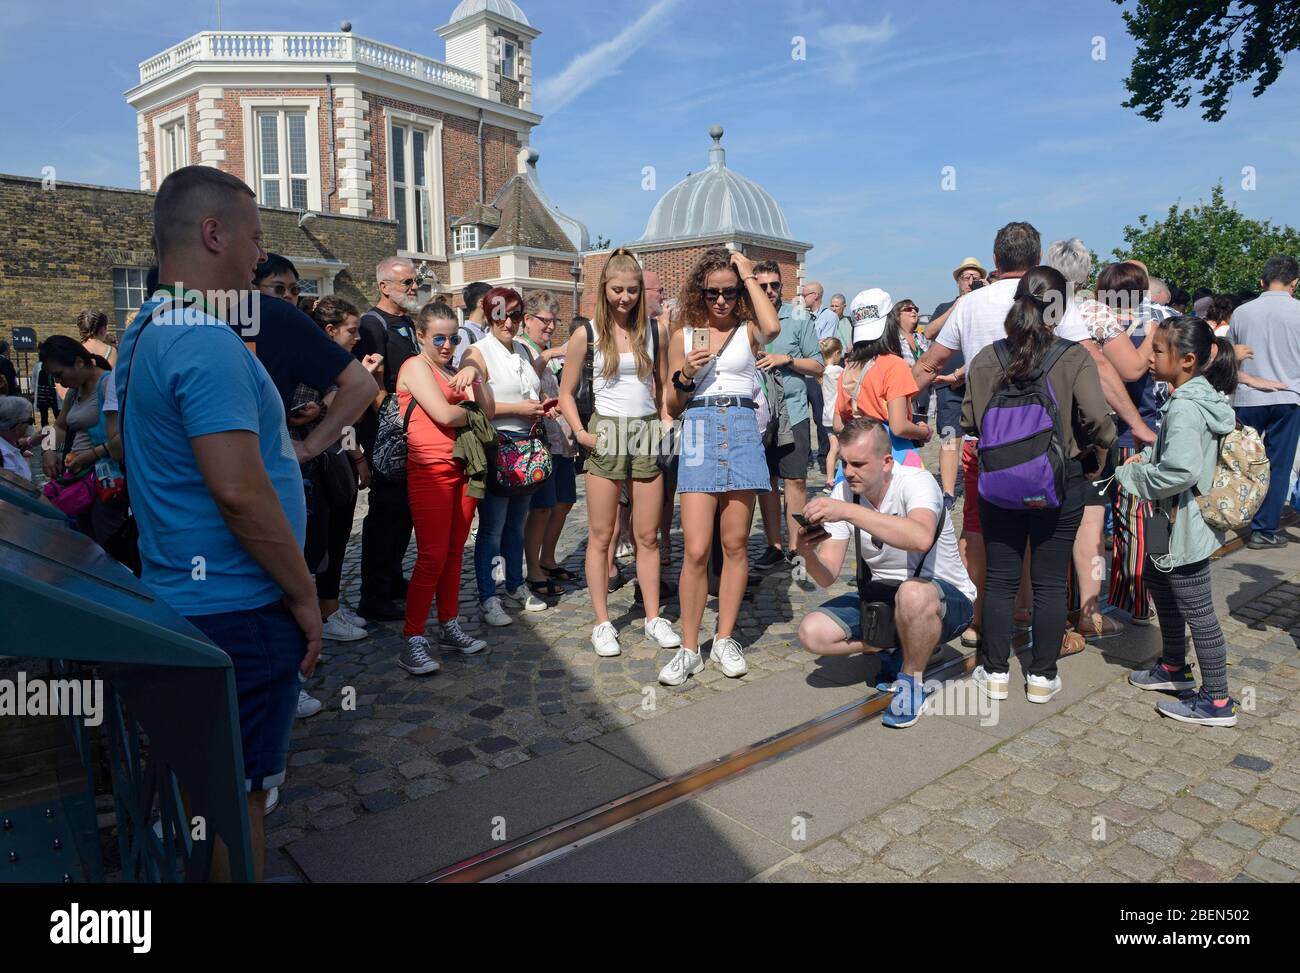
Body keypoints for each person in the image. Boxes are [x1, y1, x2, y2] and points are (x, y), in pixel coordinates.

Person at [115, 165, 318, 881]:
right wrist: (303, 594)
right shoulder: (202, 339)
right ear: (212, 233)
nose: (261, 257)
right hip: (241, 611)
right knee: (242, 805)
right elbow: (238, 491)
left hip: (188, 601)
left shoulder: (146, 331)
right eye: (255, 238)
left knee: (208, 800)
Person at [915, 223, 1147, 650]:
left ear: (995, 258)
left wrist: (901, 407)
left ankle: (979, 623)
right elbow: (1093, 364)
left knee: (983, 537)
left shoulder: (969, 306)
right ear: (1037, 256)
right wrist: (1130, 426)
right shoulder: (1053, 299)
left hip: (988, 448)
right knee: (1046, 551)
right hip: (1051, 450)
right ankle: (1049, 639)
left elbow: (930, 363)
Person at [963, 266, 1116, 704]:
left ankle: (994, 673)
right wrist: (1096, 458)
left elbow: (971, 421)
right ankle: (1042, 677)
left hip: (998, 480)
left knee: (1001, 579)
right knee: (1050, 580)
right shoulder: (1073, 356)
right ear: (1060, 308)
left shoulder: (987, 358)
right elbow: (1098, 423)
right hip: (1058, 477)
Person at [796, 418, 976, 728]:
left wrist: (849, 512)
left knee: (913, 593)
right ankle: (899, 645)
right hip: (885, 598)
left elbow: (920, 537)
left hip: (947, 599)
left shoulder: (917, 482)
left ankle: (911, 682)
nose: (848, 472)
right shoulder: (844, 492)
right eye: (844, 463)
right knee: (812, 632)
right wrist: (806, 552)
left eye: (858, 464)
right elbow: (827, 577)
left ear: (887, 462)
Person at [659, 248, 780, 685]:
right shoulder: (683, 336)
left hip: (743, 426)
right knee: (695, 549)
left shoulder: (749, 330)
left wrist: (748, 275)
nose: (722, 300)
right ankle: (690, 648)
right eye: (713, 292)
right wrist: (686, 376)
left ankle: (725, 636)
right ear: (700, 292)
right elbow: (672, 403)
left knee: (734, 545)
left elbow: (772, 326)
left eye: (729, 292)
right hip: (699, 428)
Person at [1116, 317, 1241, 725]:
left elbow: (1183, 470)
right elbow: (1174, 455)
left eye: (1157, 351)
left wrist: (1133, 475)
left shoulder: (1186, 405)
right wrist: (1149, 458)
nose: (1149, 358)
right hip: (1164, 520)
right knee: (1157, 578)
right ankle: (1173, 666)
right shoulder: (1190, 394)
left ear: (1187, 360)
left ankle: (1217, 701)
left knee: (1198, 609)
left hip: (1182, 523)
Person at [558, 250, 680, 657]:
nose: (625, 297)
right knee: (602, 534)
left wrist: (665, 417)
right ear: (604, 289)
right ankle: (602, 622)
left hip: (645, 430)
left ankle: (651, 618)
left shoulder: (655, 330)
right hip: (606, 431)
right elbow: (565, 393)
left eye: (632, 290)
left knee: (647, 536)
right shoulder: (586, 334)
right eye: (617, 290)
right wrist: (580, 433)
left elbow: (662, 383)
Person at [395, 300, 493, 671]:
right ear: (420, 336)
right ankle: (413, 637)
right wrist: (469, 408)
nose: (447, 346)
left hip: (464, 467)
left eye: (453, 338)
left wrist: (474, 373)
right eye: (439, 338)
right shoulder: (415, 366)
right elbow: (444, 414)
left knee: (454, 552)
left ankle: (448, 625)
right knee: (432, 555)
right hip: (430, 470)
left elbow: (488, 408)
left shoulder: (453, 368)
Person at [461, 287, 552, 625]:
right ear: (489, 315)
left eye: (515, 315)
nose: (508, 322)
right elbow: (476, 406)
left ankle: (514, 584)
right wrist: (520, 407)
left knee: (517, 524)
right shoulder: (477, 351)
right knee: (493, 526)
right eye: (501, 314)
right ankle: (488, 596)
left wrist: (543, 407)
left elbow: (534, 389)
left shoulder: (523, 351)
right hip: (498, 445)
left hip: (527, 445)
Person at [308, 297, 383, 640]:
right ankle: (321, 615)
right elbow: (326, 413)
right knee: (320, 541)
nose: (357, 338)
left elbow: (347, 422)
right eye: (351, 331)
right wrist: (360, 383)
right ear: (329, 330)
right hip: (317, 464)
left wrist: (357, 457)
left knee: (337, 536)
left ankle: (332, 606)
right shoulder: (315, 364)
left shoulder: (344, 364)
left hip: (340, 458)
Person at [354, 257, 423, 621]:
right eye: (407, 282)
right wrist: (392, 419)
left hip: (410, 433)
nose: (414, 288)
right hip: (386, 434)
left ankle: (393, 579)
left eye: (415, 282)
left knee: (404, 514)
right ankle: (373, 595)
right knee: (385, 515)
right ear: (384, 286)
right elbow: (368, 382)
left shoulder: (409, 323)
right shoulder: (371, 324)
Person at [753, 259, 824, 572]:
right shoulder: (744, 317)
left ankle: (796, 545)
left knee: (794, 480)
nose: (769, 291)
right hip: (756, 414)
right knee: (766, 482)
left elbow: (818, 365)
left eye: (774, 285)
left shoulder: (798, 317)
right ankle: (773, 545)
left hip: (792, 411)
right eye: (762, 286)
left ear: (783, 286)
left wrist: (787, 359)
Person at [37, 336, 134, 564]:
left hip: (107, 481)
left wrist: (89, 455)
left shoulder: (109, 385)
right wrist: (49, 450)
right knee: (85, 540)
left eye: (60, 374)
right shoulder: (74, 392)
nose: (58, 382)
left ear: (79, 362)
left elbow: (123, 438)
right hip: (81, 479)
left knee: (107, 543)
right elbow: (59, 426)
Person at [1229, 255, 1300, 549]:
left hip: (1248, 395)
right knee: (1278, 465)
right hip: (1289, 395)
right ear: (1294, 283)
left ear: (1262, 280)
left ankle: (1235, 513)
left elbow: (1231, 355)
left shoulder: (1242, 313)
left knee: (1244, 461)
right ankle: (1264, 529)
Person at [519, 291, 579, 597]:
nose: (551, 326)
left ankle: (548, 558)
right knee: (541, 508)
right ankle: (534, 569)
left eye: (555, 321)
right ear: (527, 320)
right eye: (546, 320)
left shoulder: (543, 348)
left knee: (564, 502)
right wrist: (554, 352)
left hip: (561, 438)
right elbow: (529, 379)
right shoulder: (522, 349)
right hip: (539, 440)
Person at [834, 289, 932, 469]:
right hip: (893, 455)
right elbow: (899, 427)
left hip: (856, 459)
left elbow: (838, 424)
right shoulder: (894, 365)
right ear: (890, 325)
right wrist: (922, 431)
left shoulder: (848, 368)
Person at [923, 258, 987, 509]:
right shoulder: (945, 307)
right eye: (965, 277)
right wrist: (957, 307)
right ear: (958, 282)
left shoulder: (985, 307)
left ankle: (983, 485)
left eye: (974, 277)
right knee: (950, 438)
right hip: (948, 387)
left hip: (978, 383)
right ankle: (948, 492)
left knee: (984, 438)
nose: (970, 281)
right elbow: (929, 332)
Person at [802, 280, 840, 470]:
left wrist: (805, 344)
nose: (802, 298)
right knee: (802, 417)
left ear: (816, 295)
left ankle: (824, 456)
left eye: (805, 295)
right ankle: (806, 455)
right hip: (802, 372)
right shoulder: (802, 316)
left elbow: (823, 345)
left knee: (820, 416)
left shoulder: (829, 317)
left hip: (818, 373)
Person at [820, 337, 844, 489]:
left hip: (826, 415)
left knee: (833, 448)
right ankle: (842, 475)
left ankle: (829, 478)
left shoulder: (822, 371)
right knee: (843, 447)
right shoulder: (838, 371)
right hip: (838, 415)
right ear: (836, 353)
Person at [454, 281, 492, 367]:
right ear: (481, 303)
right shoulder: (463, 334)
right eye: (493, 300)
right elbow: (461, 368)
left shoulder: (489, 331)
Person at [0, 396, 33, 480]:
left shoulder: (8, 445)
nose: (30, 425)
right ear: (18, 427)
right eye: (30, 421)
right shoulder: (5, 456)